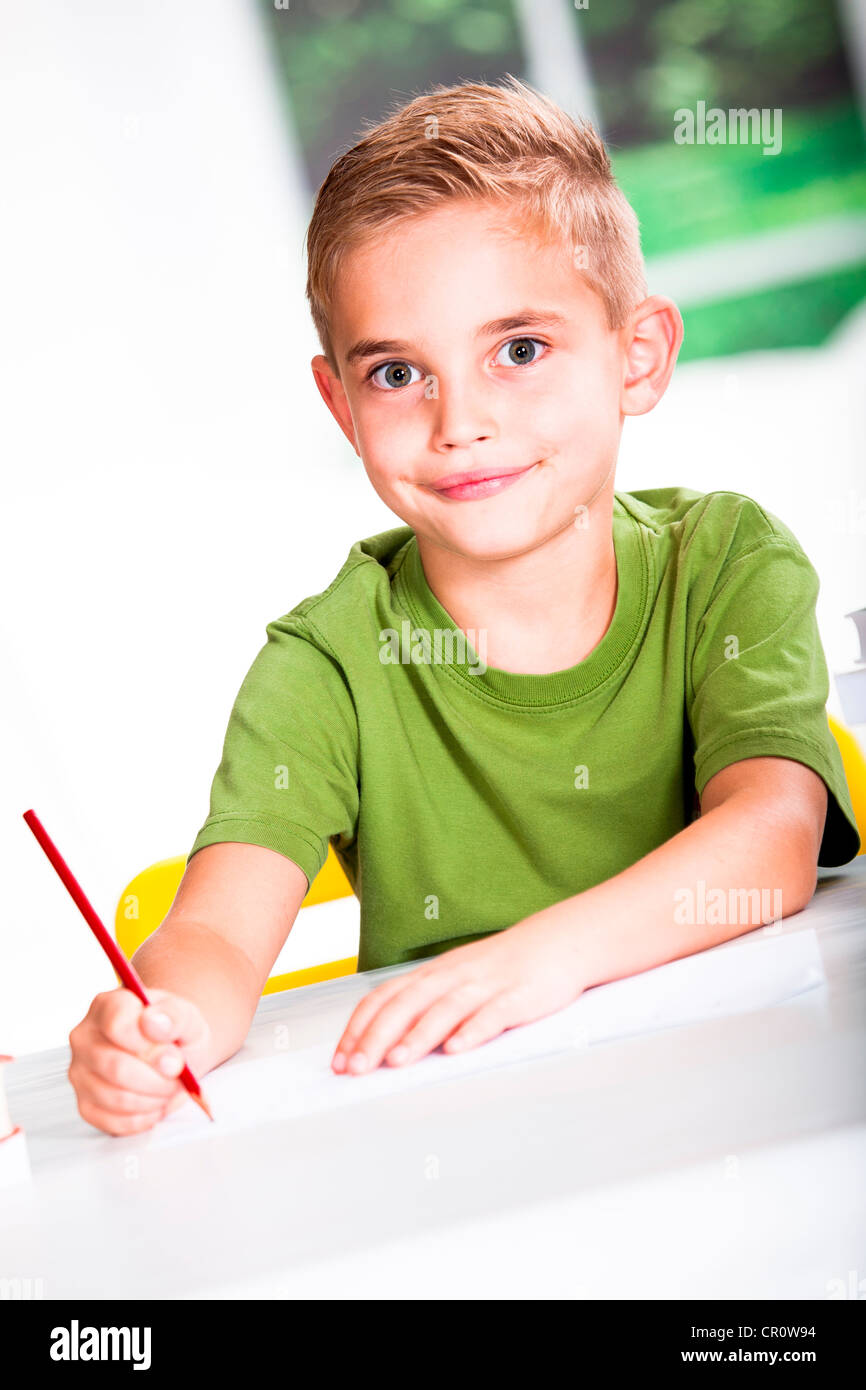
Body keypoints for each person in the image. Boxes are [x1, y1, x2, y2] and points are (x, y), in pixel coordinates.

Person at [68, 77, 859, 1135]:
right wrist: (157, 1024)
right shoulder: (325, 665)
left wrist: (537, 959)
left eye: (518, 350)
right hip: (467, 1138)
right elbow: (216, 932)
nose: (460, 422)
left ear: (638, 356)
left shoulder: (724, 562)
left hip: (746, 1102)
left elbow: (769, 836)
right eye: (398, 374)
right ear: (341, 406)